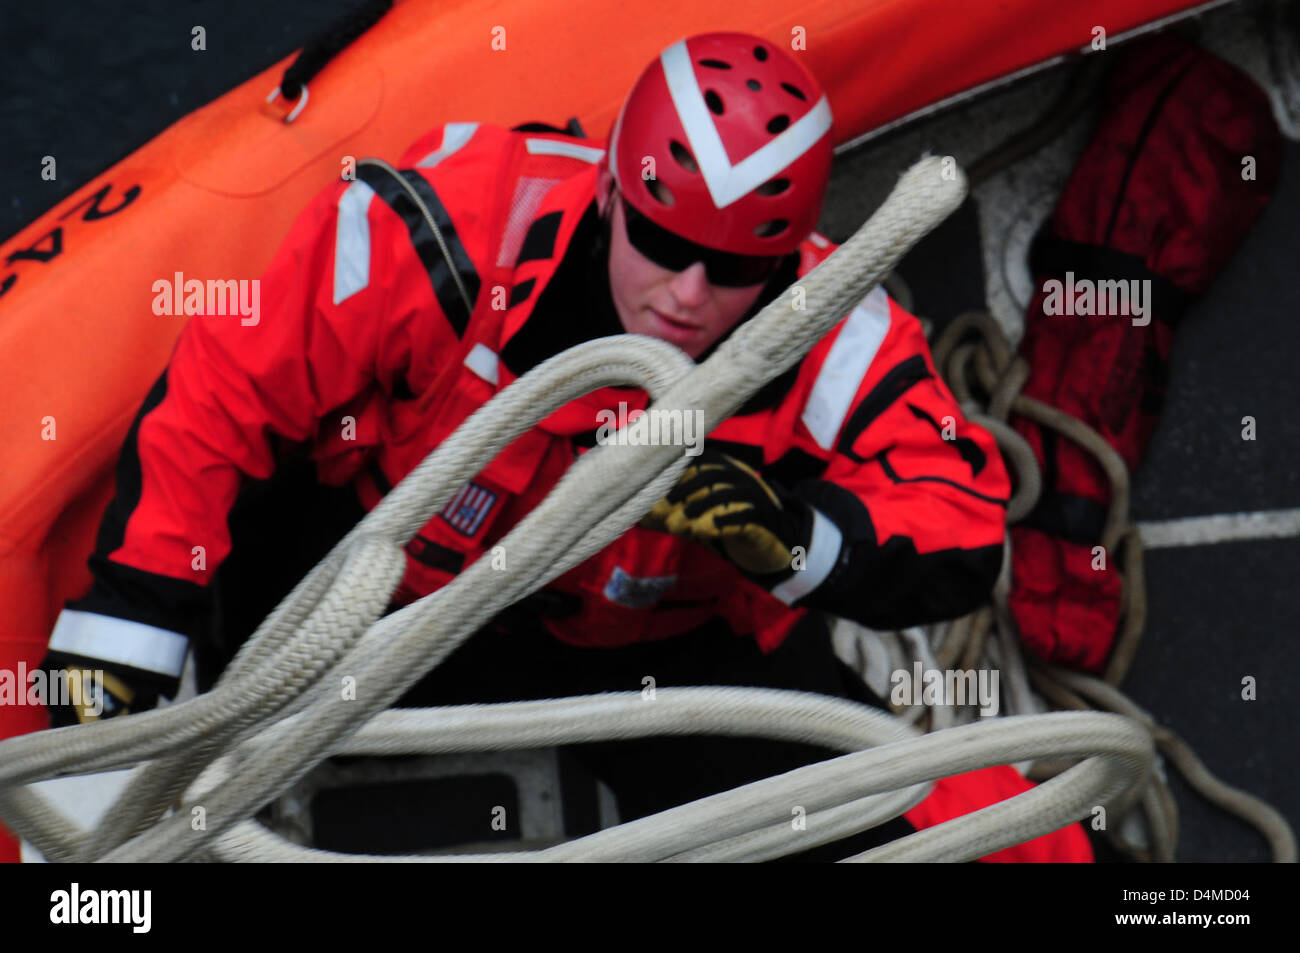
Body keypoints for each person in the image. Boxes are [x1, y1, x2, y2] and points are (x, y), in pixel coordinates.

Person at [41, 32, 1016, 857]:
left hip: (649, 646)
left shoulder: (832, 333)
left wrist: (795, 538)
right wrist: (134, 609)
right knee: (140, 696)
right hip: (374, 578)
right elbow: (228, 384)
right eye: (664, 242)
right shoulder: (447, 232)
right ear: (608, 198)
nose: (685, 293)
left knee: (860, 817)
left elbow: (962, 516)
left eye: (732, 268)